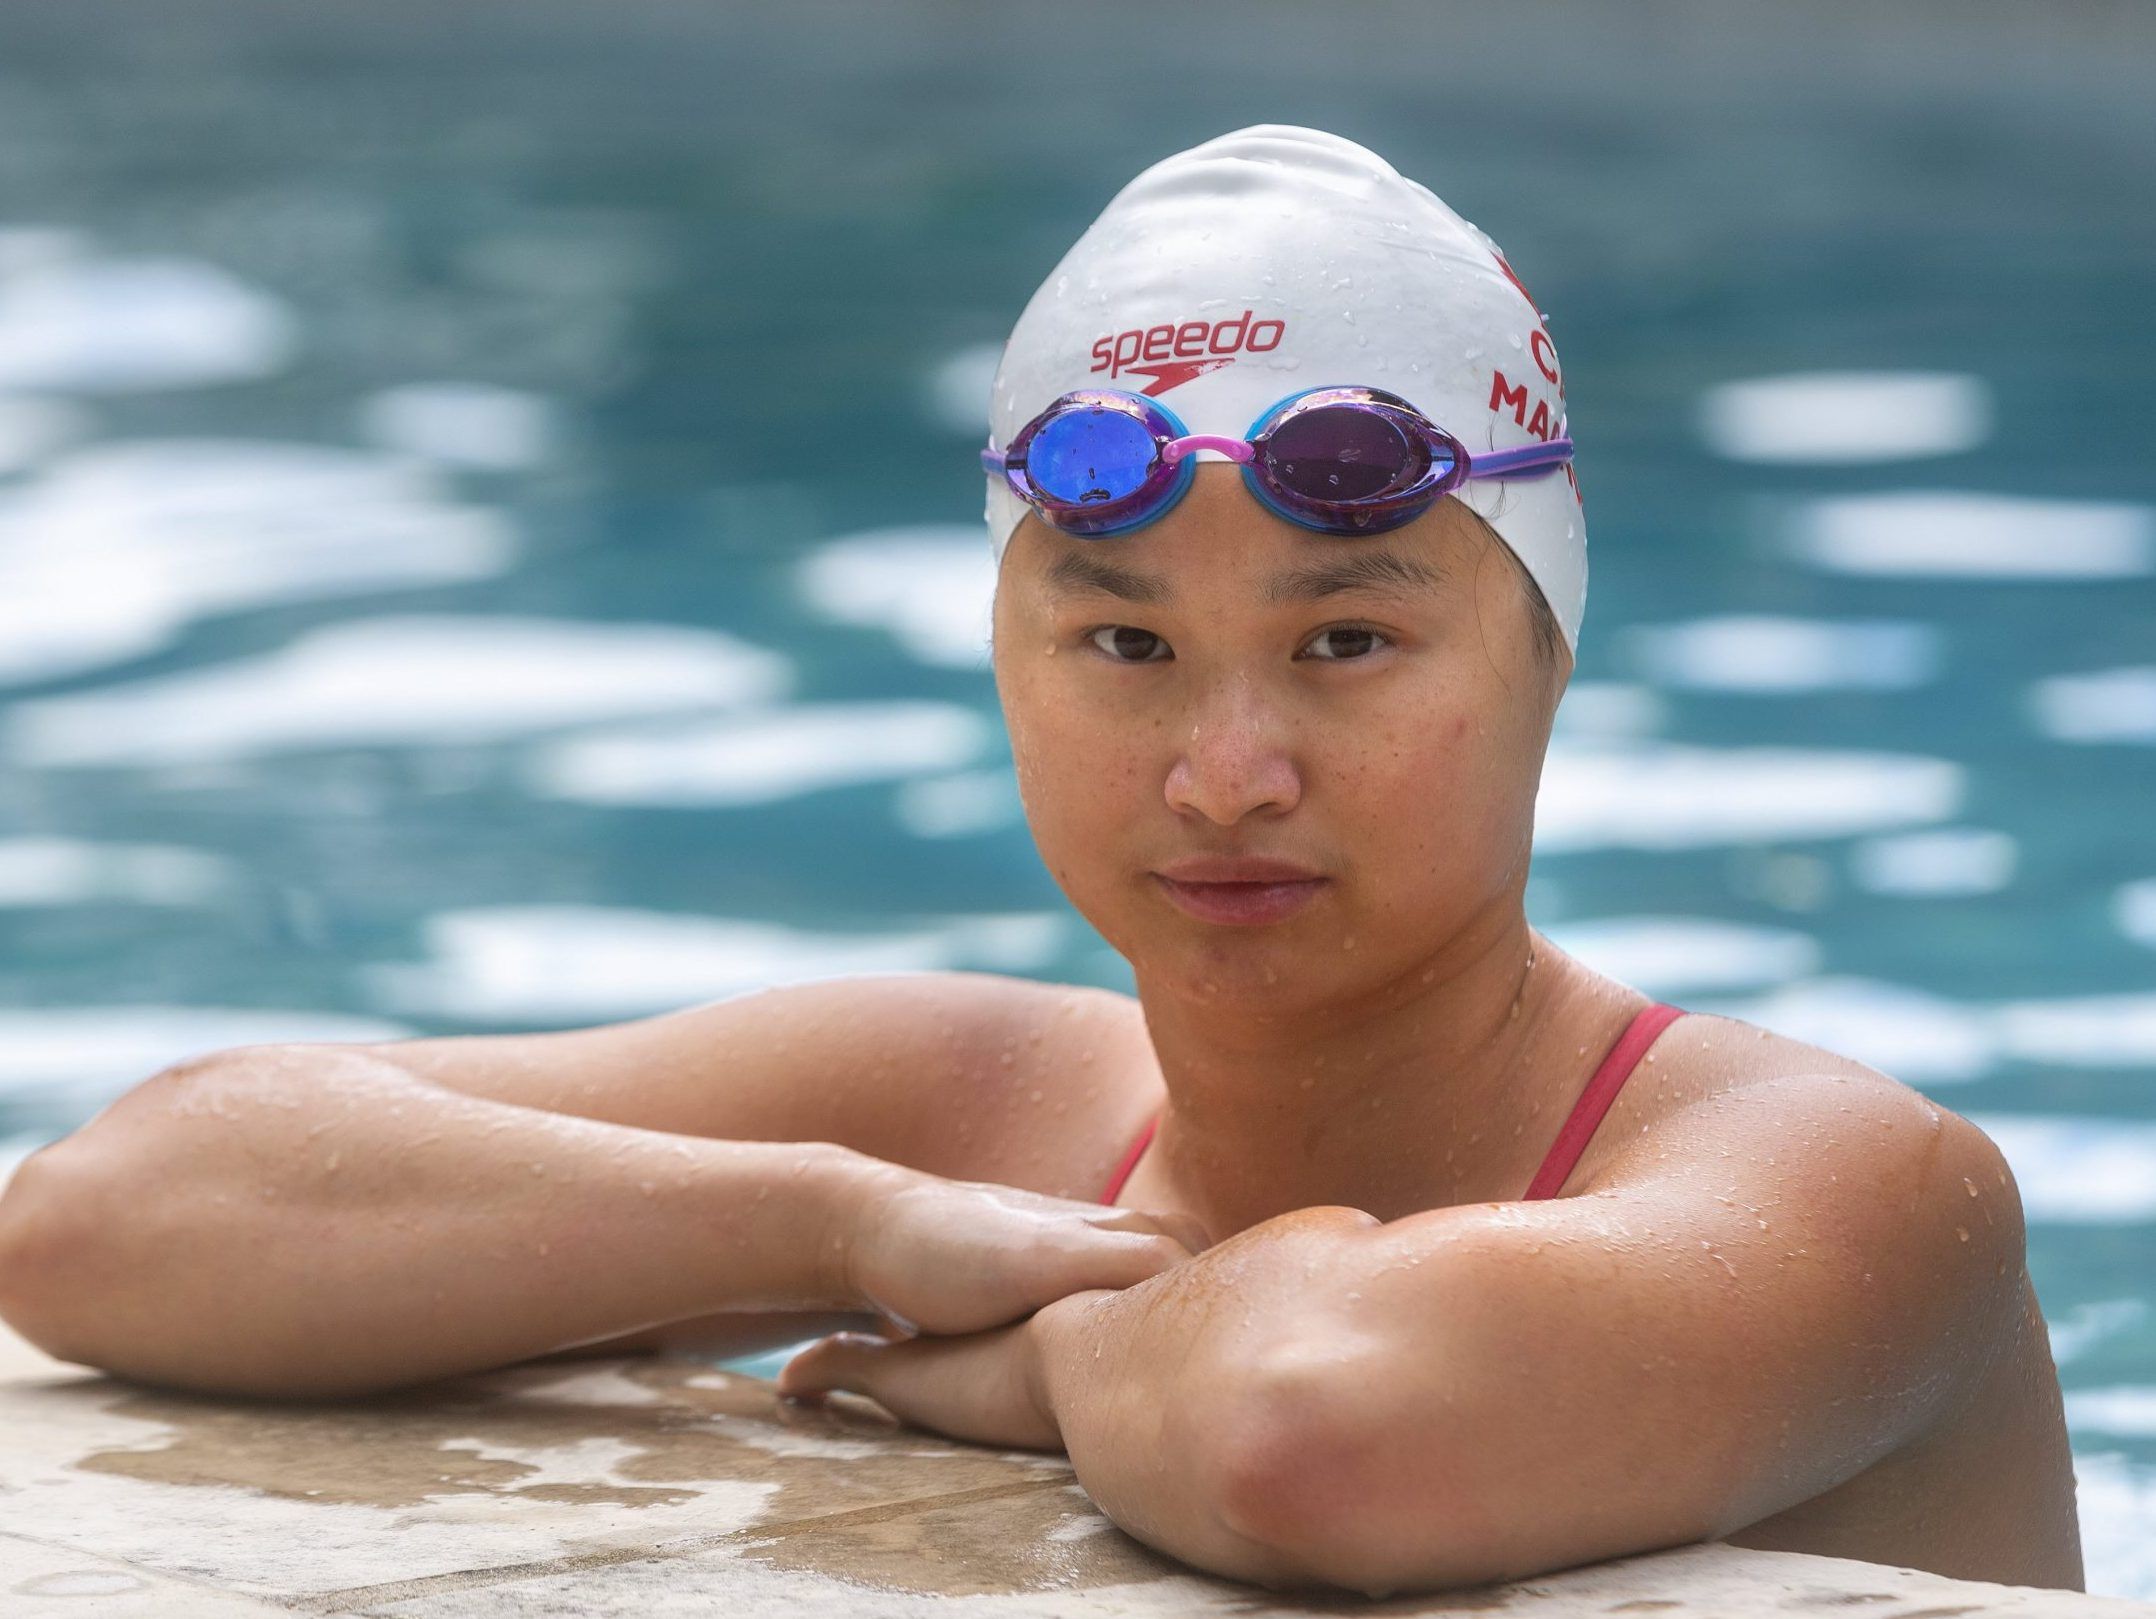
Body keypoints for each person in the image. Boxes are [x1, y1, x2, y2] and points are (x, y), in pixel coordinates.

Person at [0, 125, 2080, 1598]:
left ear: (1545, 655)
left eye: (1345, 640)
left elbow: (1323, 1432)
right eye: (1123, 645)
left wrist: (1023, 1359)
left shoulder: (1857, 1187)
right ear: (1002, 664)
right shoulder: (968, 1112)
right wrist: (837, 1225)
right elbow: (113, 1215)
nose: (1224, 772)